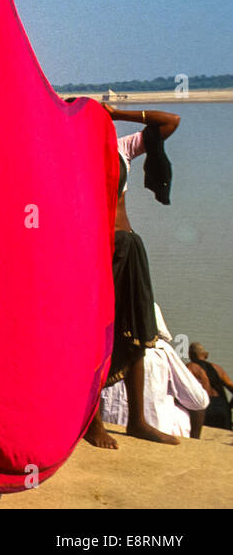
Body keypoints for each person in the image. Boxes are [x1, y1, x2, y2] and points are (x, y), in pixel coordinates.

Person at [82, 104, 181, 449]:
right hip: (94, 251)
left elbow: (171, 121)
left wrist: (117, 113)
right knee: (95, 333)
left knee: (136, 329)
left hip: (128, 245)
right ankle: (92, 422)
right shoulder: (70, 154)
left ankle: (138, 421)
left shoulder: (121, 148)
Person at [188, 343, 233, 431]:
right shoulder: (218, 368)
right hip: (222, 408)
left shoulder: (189, 367)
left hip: (204, 409)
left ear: (190, 355)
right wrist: (229, 406)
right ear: (206, 355)